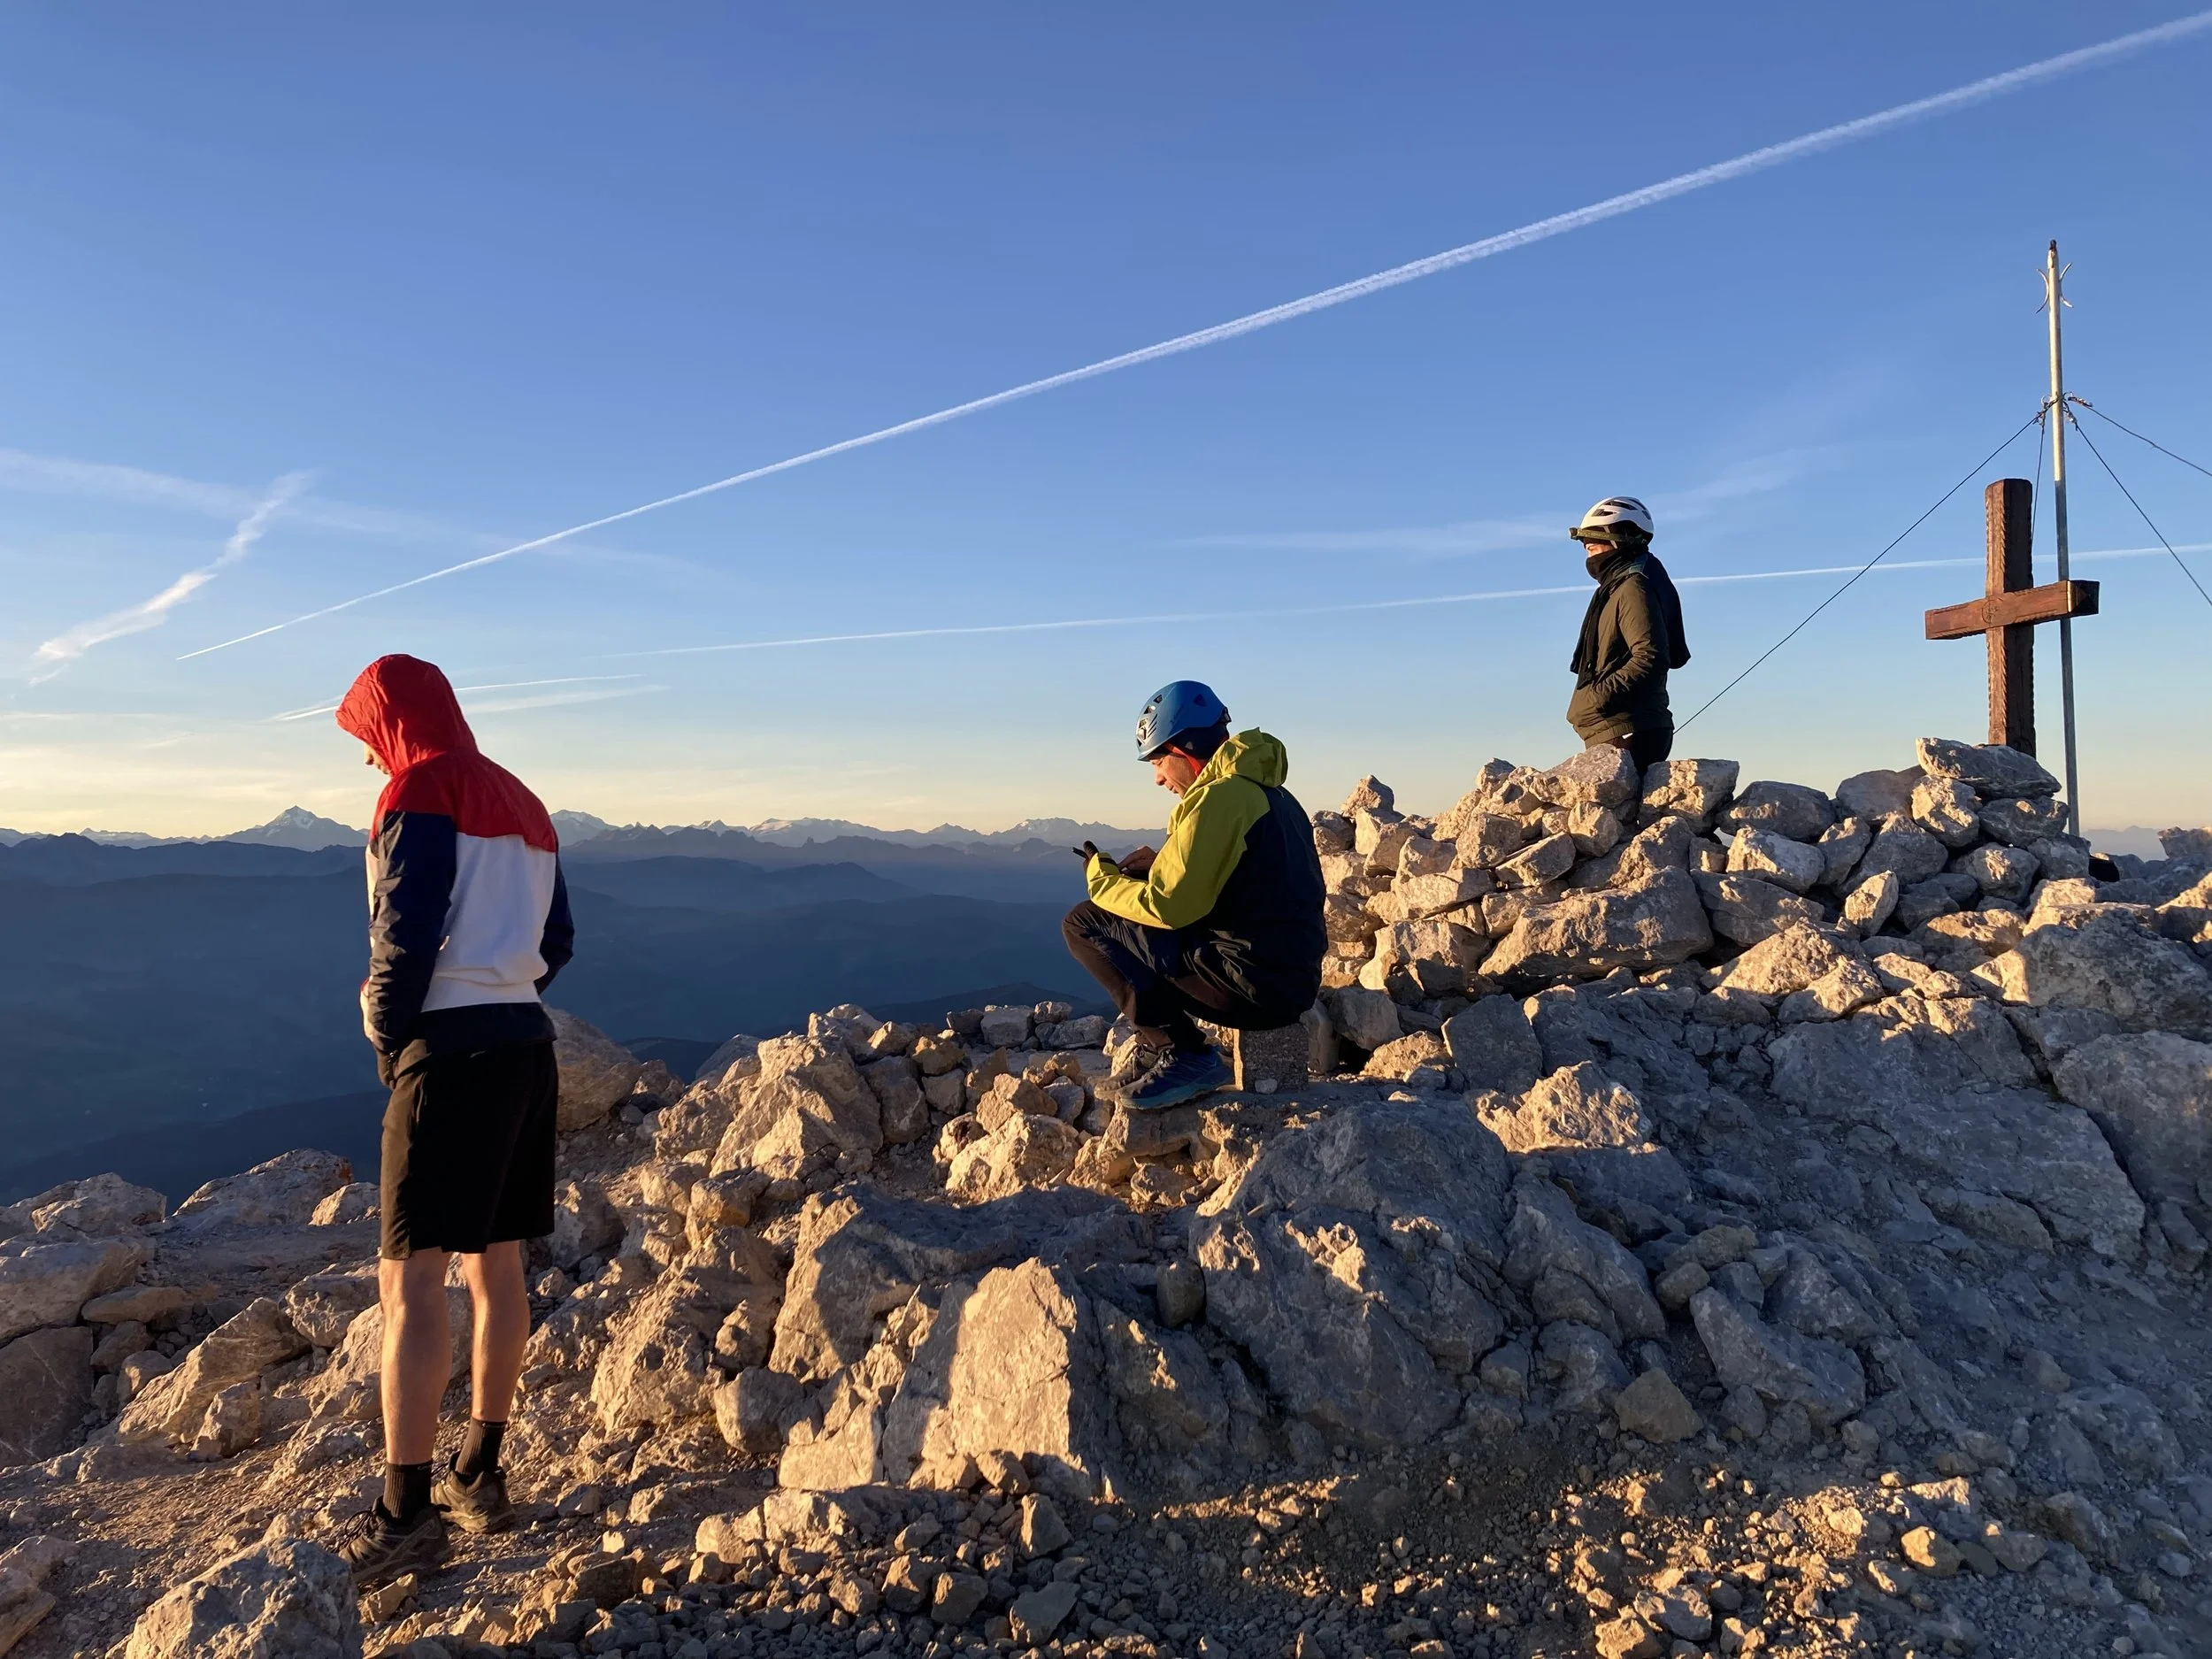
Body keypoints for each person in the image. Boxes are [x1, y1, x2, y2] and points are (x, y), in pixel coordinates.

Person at [327, 655, 574, 1588]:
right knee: (498, 1265)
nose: (367, 758)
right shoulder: (525, 800)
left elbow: (403, 932)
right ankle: (480, 1471)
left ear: (392, 722)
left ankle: (404, 1515)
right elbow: (557, 940)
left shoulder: (417, 790)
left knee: (411, 1283)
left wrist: (394, 1041)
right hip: (527, 1047)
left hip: (450, 1054)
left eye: (367, 736)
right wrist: (506, 987)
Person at [1062, 680, 1325, 1110]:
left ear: (1182, 749)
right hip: (1289, 981)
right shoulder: (1272, 795)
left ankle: (1182, 1053)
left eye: (1158, 761)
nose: (1158, 778)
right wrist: (1163, 863)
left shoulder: (1221, 798)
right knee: (1117, 917)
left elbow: (1167, 906)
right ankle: (1160, 1049)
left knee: (1085, 922)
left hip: (1248, 988)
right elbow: (1250, 883)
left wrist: (1101, 877)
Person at [1564, 495, 1690, 774]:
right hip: (1619, 729)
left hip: (1628, 729)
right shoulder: (1622, 585)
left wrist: (1596, 697)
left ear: (1618, 542)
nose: (1589, 557)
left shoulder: (1634, 587)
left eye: (1593, 548)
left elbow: (1650, 656)